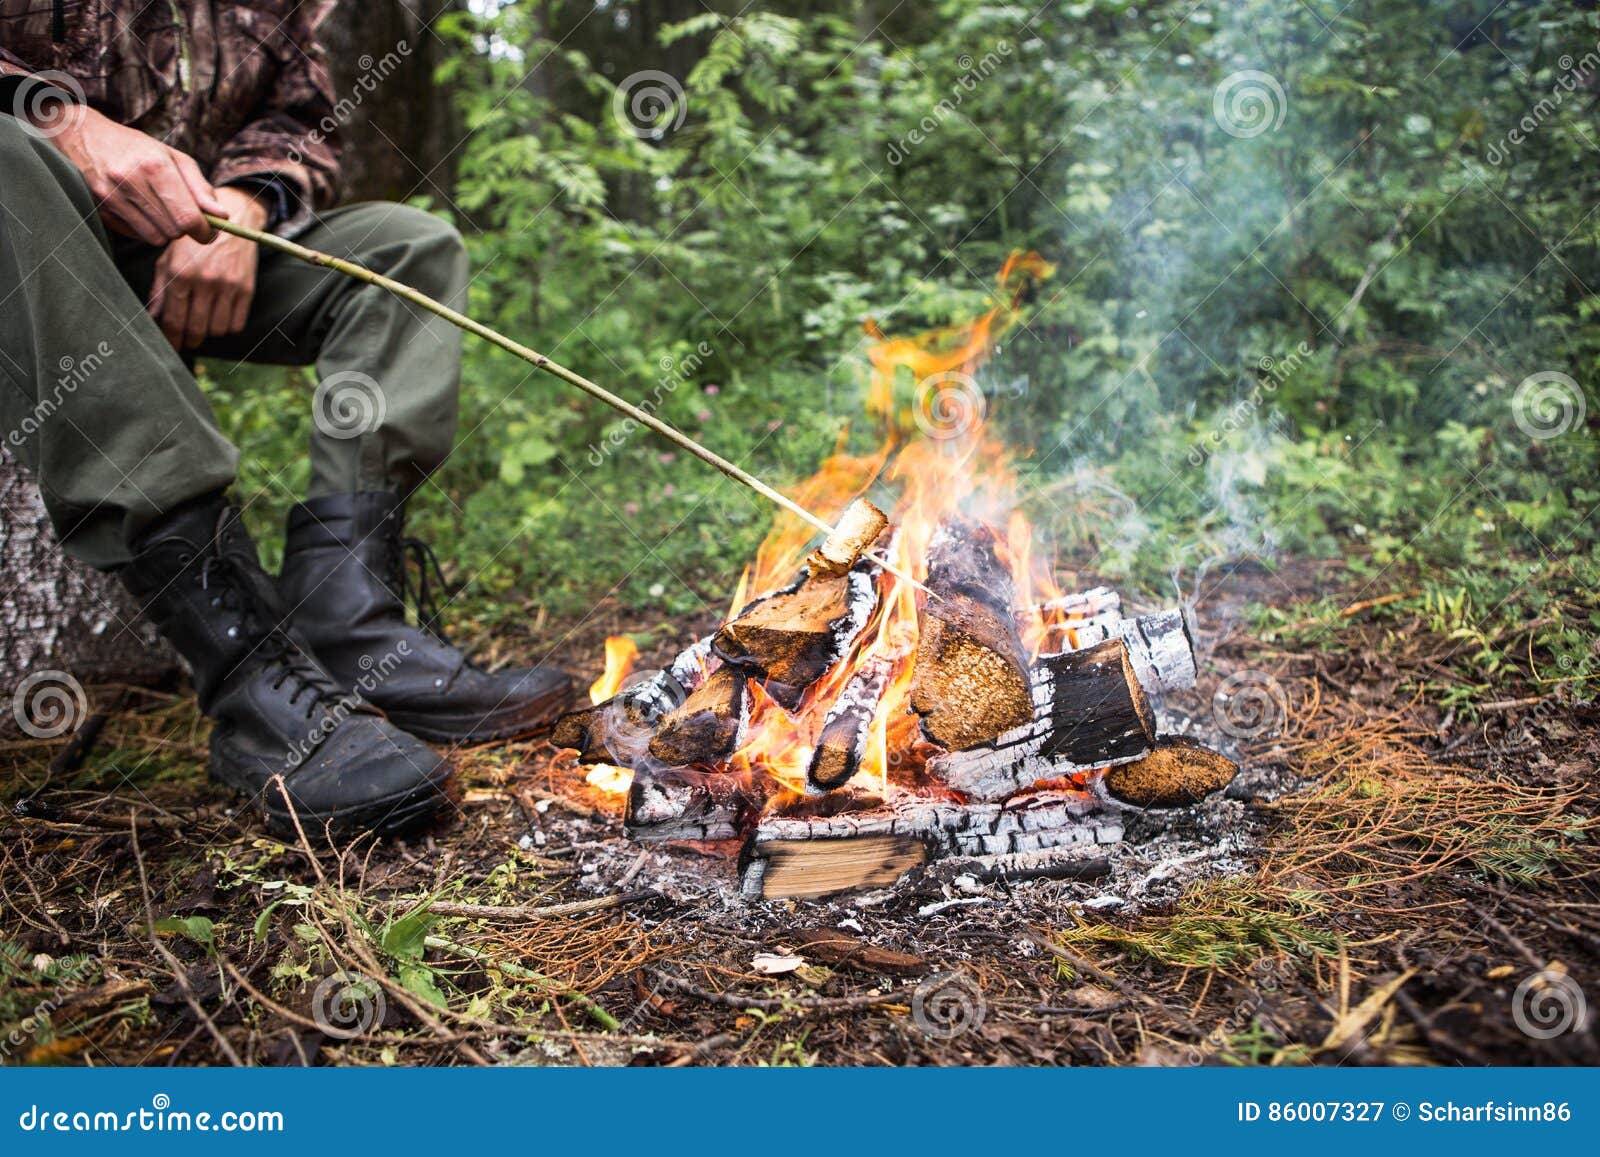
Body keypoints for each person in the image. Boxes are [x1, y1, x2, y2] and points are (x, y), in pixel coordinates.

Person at [0, 1, 573, 838]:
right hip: (24, 217)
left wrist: (247, 204)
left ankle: (351, 630)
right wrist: (58, 120)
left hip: (165, 247)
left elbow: (298, 118)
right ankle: (250, 679)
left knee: (407, 250)